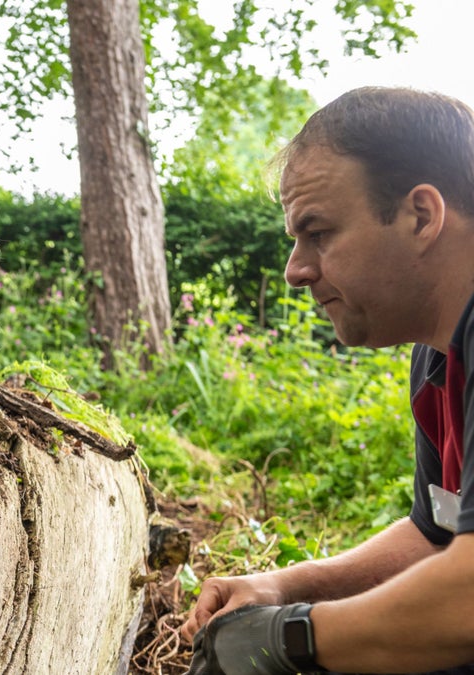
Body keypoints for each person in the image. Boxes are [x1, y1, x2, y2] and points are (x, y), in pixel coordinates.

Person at [182, 87, 474, 674]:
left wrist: (287, 639)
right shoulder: (438, 357)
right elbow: (437, 534)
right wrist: (284, 587)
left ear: (422, 215)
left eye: (317, 233)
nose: (296, 270)